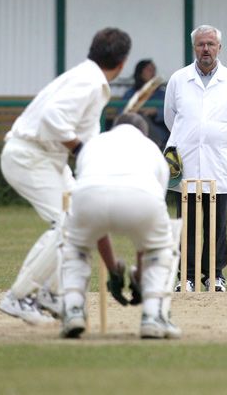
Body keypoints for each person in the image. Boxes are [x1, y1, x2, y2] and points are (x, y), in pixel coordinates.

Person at [0, 26, 131, 326]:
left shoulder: (87, 77)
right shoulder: (90, 83)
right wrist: (82, 149)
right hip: (30, 155)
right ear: (122, 63)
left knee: (81, 218)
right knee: (67, 224)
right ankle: (19, 296)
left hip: (50, 159)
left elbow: (75, 135)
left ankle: (52, 294)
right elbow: (53, 119)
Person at [59, 113, 180, 340]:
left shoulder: (94, 144)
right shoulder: (151, 149)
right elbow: (145, 239)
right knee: (160, 250)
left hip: (89, 196)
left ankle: (73, 309)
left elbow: (97, 231)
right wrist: (139, 278)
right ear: (144, 133)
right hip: (142, 197)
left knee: (76, 247)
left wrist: (114, 270)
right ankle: (152, 315)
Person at [163, 24, 227, 292]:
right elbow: (170, 118)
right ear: (194, 48)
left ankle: (214, 274)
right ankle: (185, 277)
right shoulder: (179, 79)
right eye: (201, 44)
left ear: (219, 48)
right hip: (184, 159)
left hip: (219, 160)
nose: (206, 49)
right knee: (185, 222)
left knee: (217, 223)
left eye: (211, 44)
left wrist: (218, 141)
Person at [125, 59, 169, 149]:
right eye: (149, 70)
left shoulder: (162, 94)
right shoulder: (131, 93)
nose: (152, 73)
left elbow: (171, 113)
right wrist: (138, 110)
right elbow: (122, 113)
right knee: (142, 118)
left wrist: (155, 111)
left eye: (154, 70)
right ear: (140, 73)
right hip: (134, 133)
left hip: (158, 133)